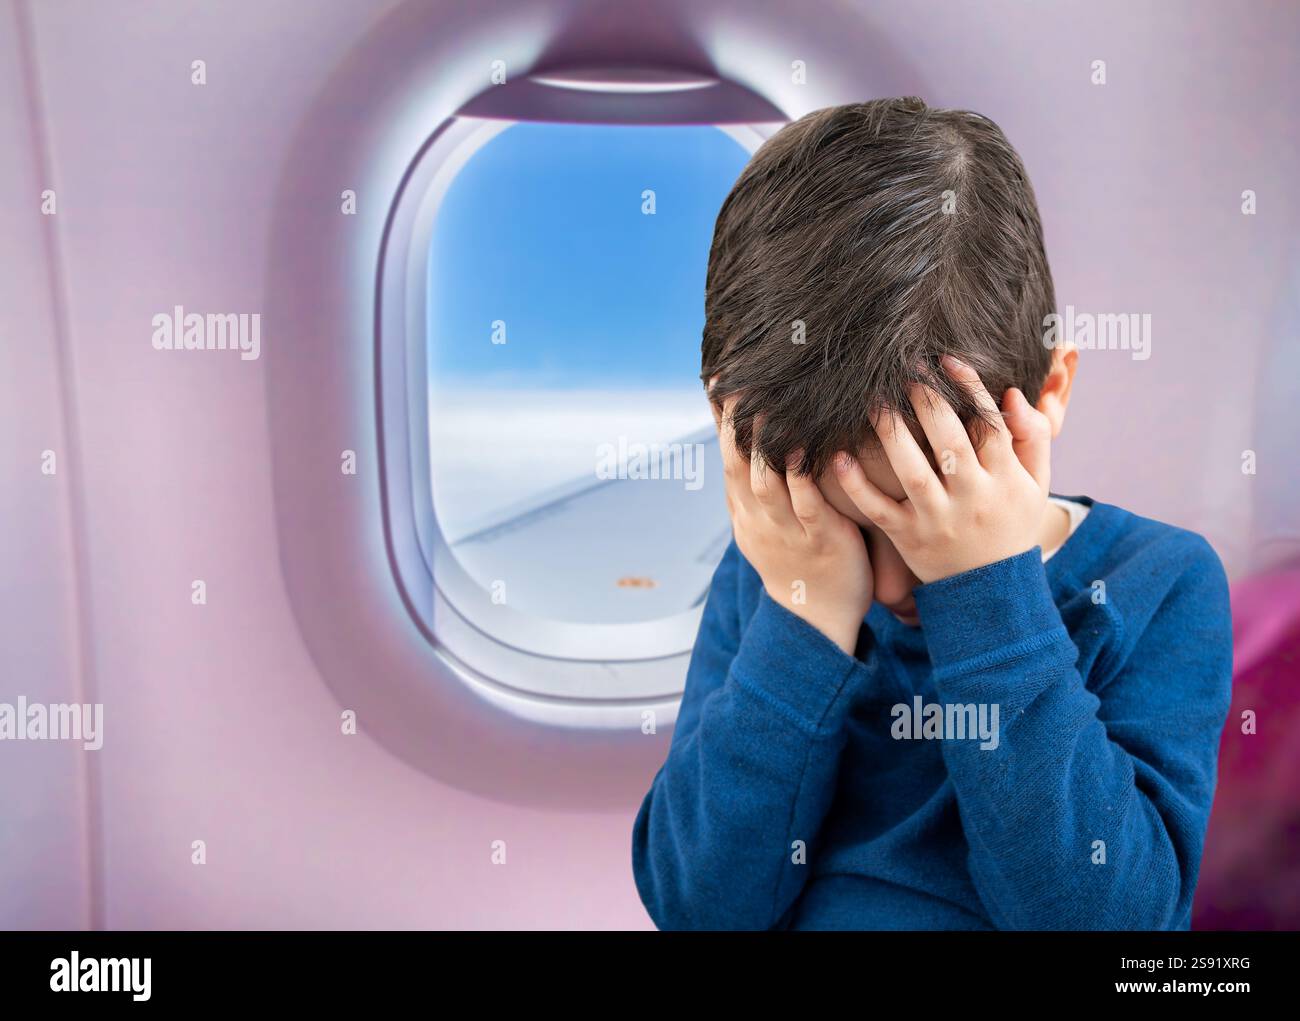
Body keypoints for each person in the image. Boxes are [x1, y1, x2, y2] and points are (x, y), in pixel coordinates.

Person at [630, 98, 1233, 930]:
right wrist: (805, 619)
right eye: (847, 524)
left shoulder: (1159, 582)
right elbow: (699, 905)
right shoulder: (782, 564)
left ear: (1048, 394)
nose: (873, 580)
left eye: (917, 513)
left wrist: (986, 595)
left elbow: (1108, 919)